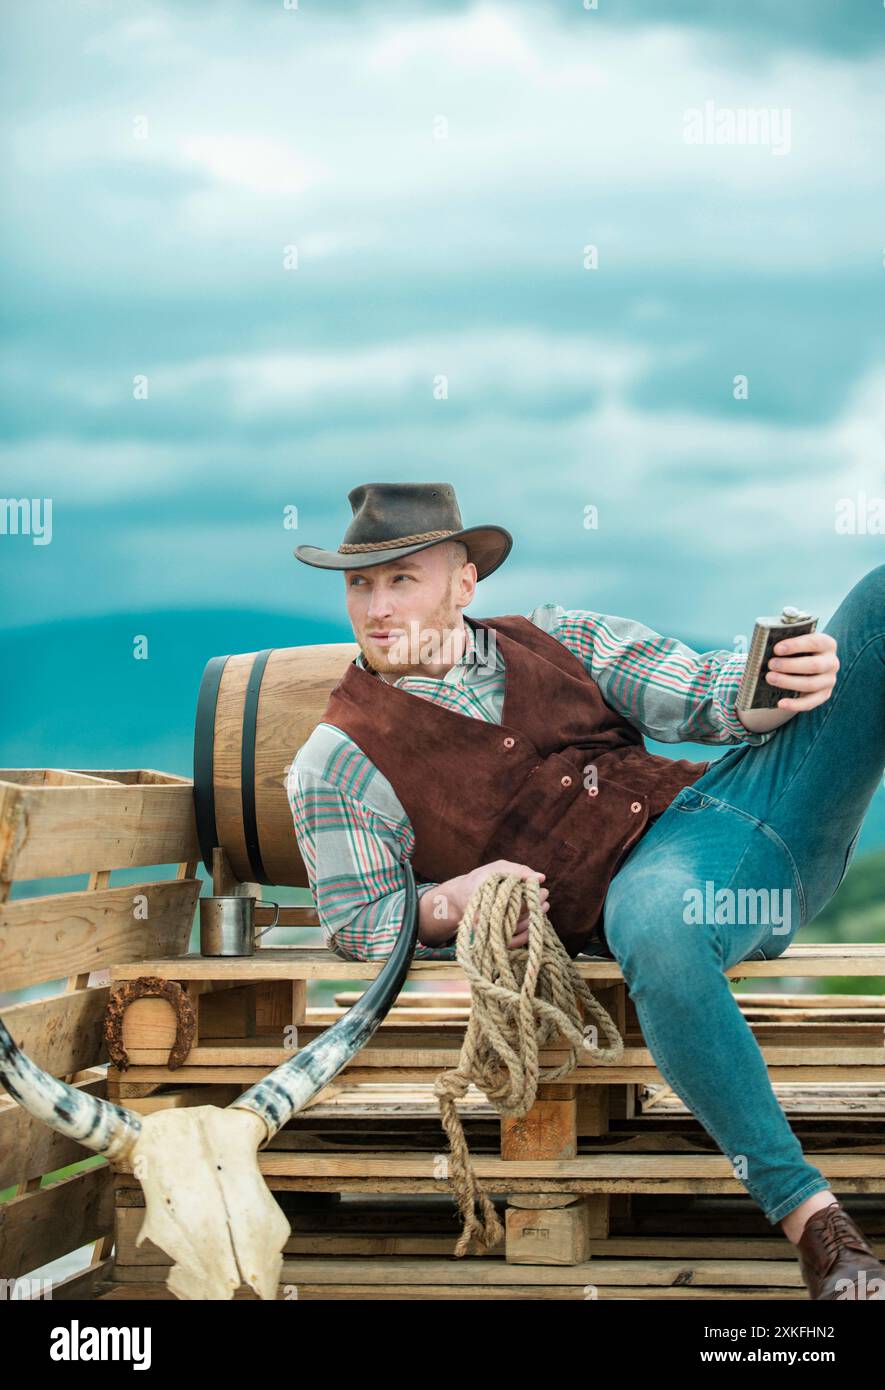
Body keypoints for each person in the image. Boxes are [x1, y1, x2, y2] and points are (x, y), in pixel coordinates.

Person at [289, 480, 885, 1300]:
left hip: (751, 807)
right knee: (658, 919)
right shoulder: (339, 758)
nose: (378, 607)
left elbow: (699, 692)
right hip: (653, 899)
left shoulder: (560, 636)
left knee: (879, 599)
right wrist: (453, 898)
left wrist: (780, 678)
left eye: (404, 579)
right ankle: (816, 1223)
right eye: (361, 583)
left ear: (463, 583)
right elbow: (359, 921)